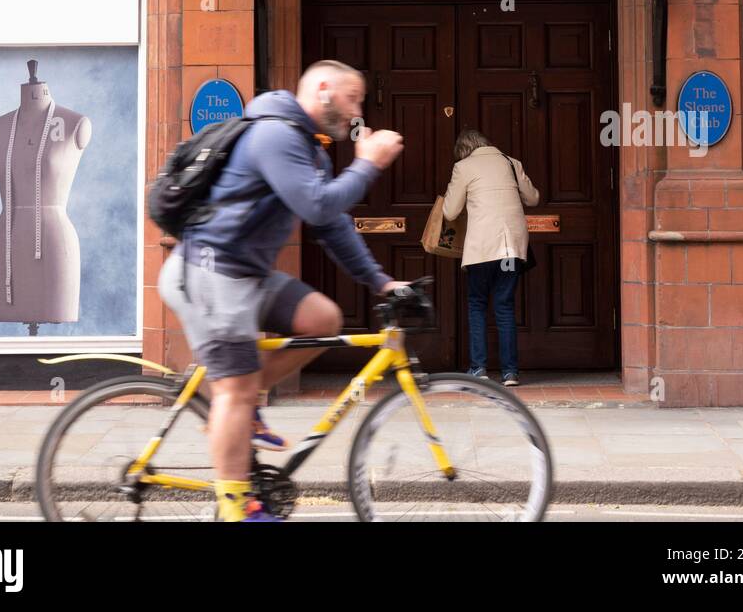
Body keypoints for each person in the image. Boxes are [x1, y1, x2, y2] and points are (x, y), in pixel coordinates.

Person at [158, 59, 405, 523]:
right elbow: (315, 206)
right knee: (236, 389)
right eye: (354, 99)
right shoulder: (275, 136)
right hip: (211, 273)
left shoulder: (307, 149)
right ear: (326, 90)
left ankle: (240, 404)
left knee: (323, 319)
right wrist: (368, 164)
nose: (357, 112)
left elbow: (330, 225)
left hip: (246, 275)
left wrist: (382, 281)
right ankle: (240, 508)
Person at [441, 129, 539, 386]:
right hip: (512, 248)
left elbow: (450, 212)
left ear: (464, 149)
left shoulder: (463, 167)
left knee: (477, 304)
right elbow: (533, 198)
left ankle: (479, 368)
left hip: (482, 248)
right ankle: (510, 372)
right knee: (505, 307)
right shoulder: (510, 162)